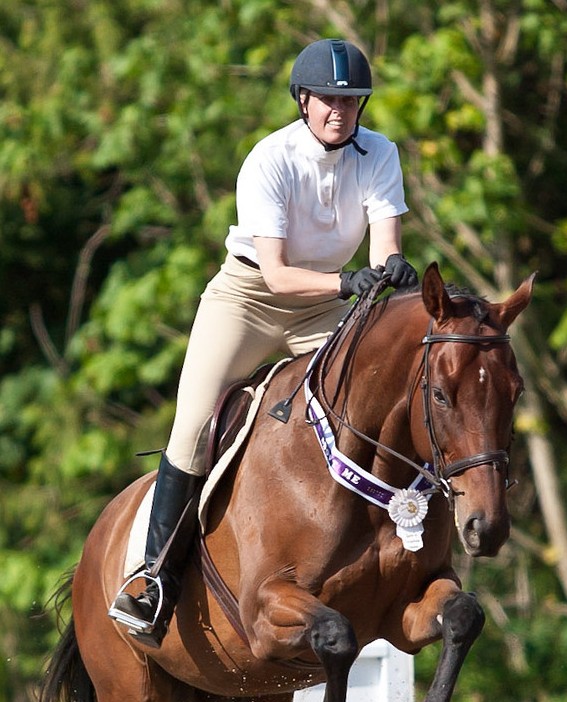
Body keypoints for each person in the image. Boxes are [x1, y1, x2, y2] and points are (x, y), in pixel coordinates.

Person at [109, 38, 418, 647]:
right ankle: (152, 579)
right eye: (327, 99)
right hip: (249, 300)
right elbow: (276, 273)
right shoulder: (269, 159)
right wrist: (350, 279)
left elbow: (385, 242)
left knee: (386, 394)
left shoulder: (380, 153)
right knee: (195, 424)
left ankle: (401, 542)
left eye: (351, 101)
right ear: (303, 101)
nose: (339, 110)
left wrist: (391, 270)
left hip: (328, 305)